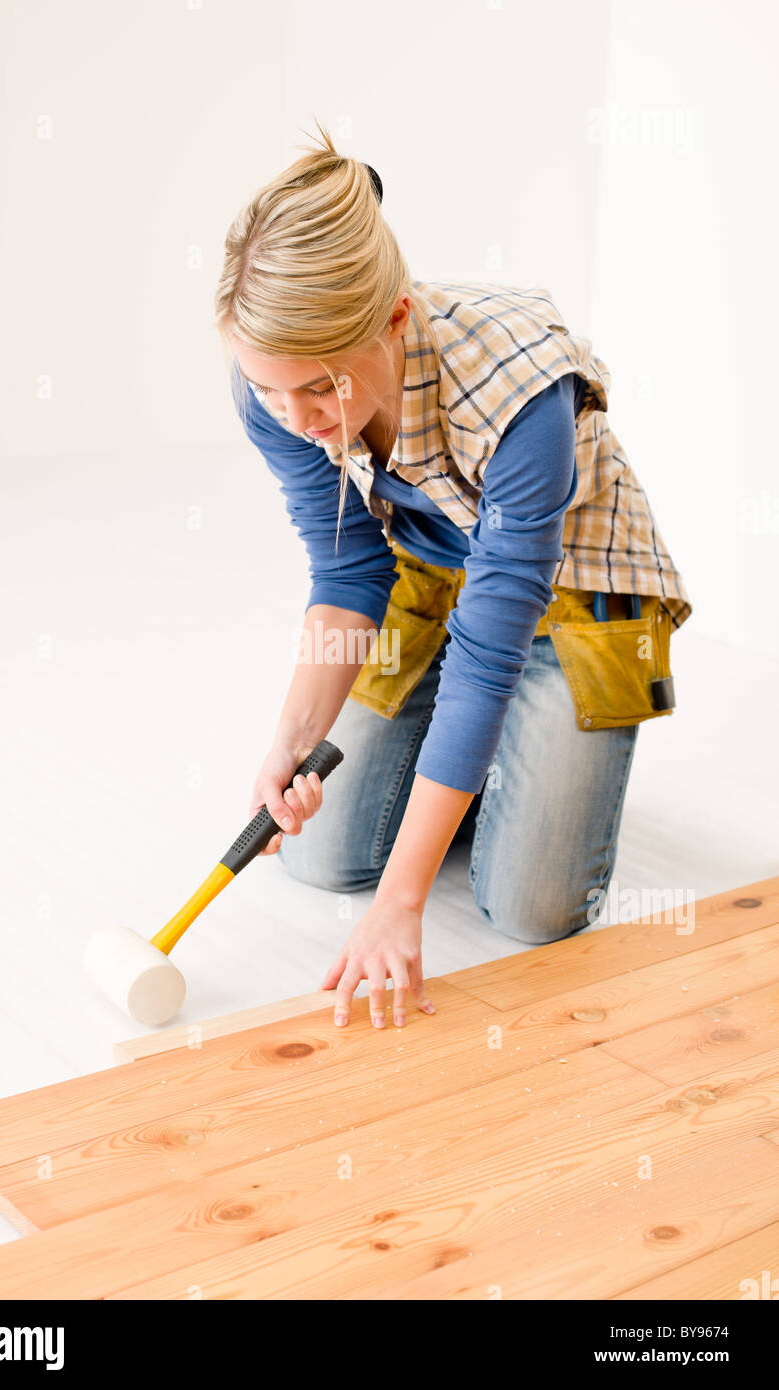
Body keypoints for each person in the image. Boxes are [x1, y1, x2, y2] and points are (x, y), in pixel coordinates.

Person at [214, 122, 691, 1032]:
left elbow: (488, 652)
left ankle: (510, 764)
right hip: (431, 576)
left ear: (393, 320)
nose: (294, 417)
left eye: (317, 390)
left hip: (572, 596)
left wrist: (402, 903)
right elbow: (347, 565)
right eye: (271, 393)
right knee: (320, 859)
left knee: (531, 911)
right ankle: (480, 771)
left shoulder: (521, 396)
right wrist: (293, 733)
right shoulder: (276, 387)